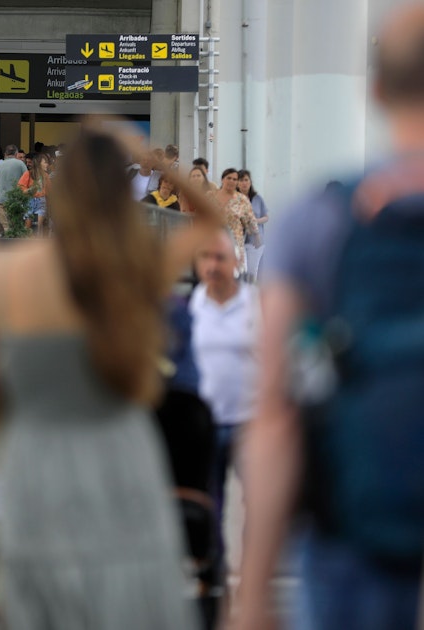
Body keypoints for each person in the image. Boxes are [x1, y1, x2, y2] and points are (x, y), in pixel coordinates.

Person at [0, 124, 223, 629]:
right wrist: (151, 158)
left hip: (34, 469)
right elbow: (209, 218)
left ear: (60, 187)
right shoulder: (133, 268)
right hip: (122, 465)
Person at [237, 7, 424, 629]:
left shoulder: (321, 221)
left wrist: (254, 593)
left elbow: (277, 413)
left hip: (354, 541)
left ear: (373, 91)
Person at [189, 230, 260, 595]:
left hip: (249, 420)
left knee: (256, 501)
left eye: (220, 259)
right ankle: (213, 569)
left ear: (235, 263)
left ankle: (252, 571)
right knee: (210, 502)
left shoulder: (254, 304)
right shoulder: (193, 304)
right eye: (206, 258)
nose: (213, 266)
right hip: (208, 422)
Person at [210, 168, 259, 276]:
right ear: (222, 179)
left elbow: (251, 220)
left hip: (234, 243)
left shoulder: (242, 199)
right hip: (212, 242)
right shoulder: (210, 196)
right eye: (229, 178)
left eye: (235, 179)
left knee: (235, 276)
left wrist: (256, 235)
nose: (232, 181)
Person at [237, 169, 269, 279]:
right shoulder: (234, 199)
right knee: (239, 271)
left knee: (252, 271)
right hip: (238, 239)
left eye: (246, 180)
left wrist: (255, 221)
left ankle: (251, 294)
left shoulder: (257, 199)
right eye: (241, 180)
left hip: (255, 240)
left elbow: (266, 217)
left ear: (250, 182)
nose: (244, 183)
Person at [18, 152, 51, 234]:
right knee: (28, 226)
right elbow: (20, 187)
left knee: (37, 227)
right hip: (30, 201)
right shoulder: (28, 174)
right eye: (45, 162)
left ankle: (37, 243)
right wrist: (30, 190)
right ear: (39, 163)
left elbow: (49, 191)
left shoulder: (45, 176)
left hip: (40, 201)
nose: (47, 164)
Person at [0, 145, 26, 215]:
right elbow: (27, 179)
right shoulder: (21, 164)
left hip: (2, 201)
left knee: (4, 225)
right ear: (16, 154)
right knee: (15, 224)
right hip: (16, 201)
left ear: (6, 154)